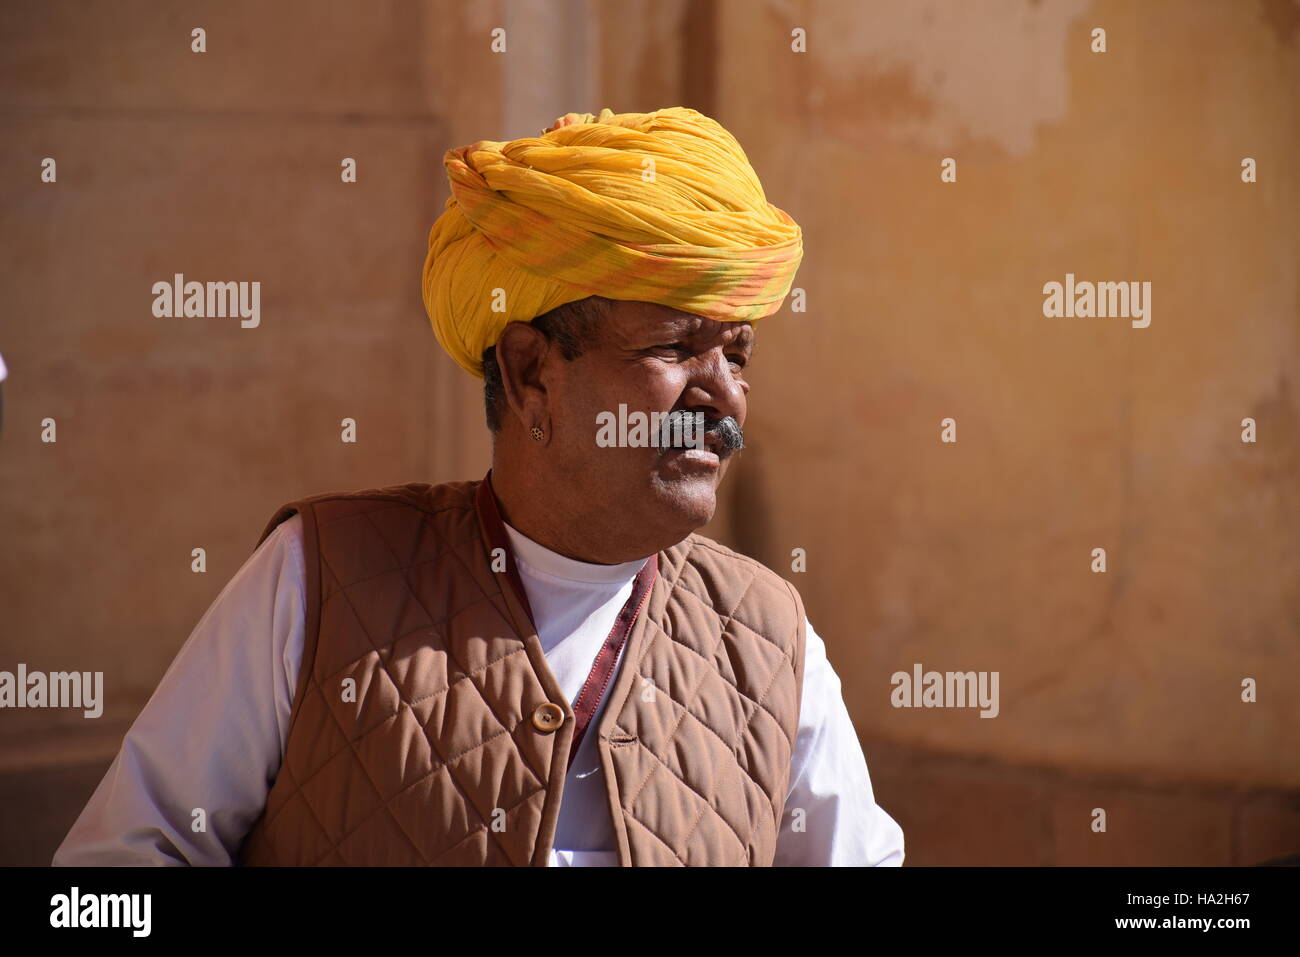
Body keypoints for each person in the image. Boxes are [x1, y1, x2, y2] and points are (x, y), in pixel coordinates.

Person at [53, 107, 904, 867]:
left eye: (738, 355)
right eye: (677, 349)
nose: (722, 394)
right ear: (531, 373)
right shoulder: (322, 576)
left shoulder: (768, 636)